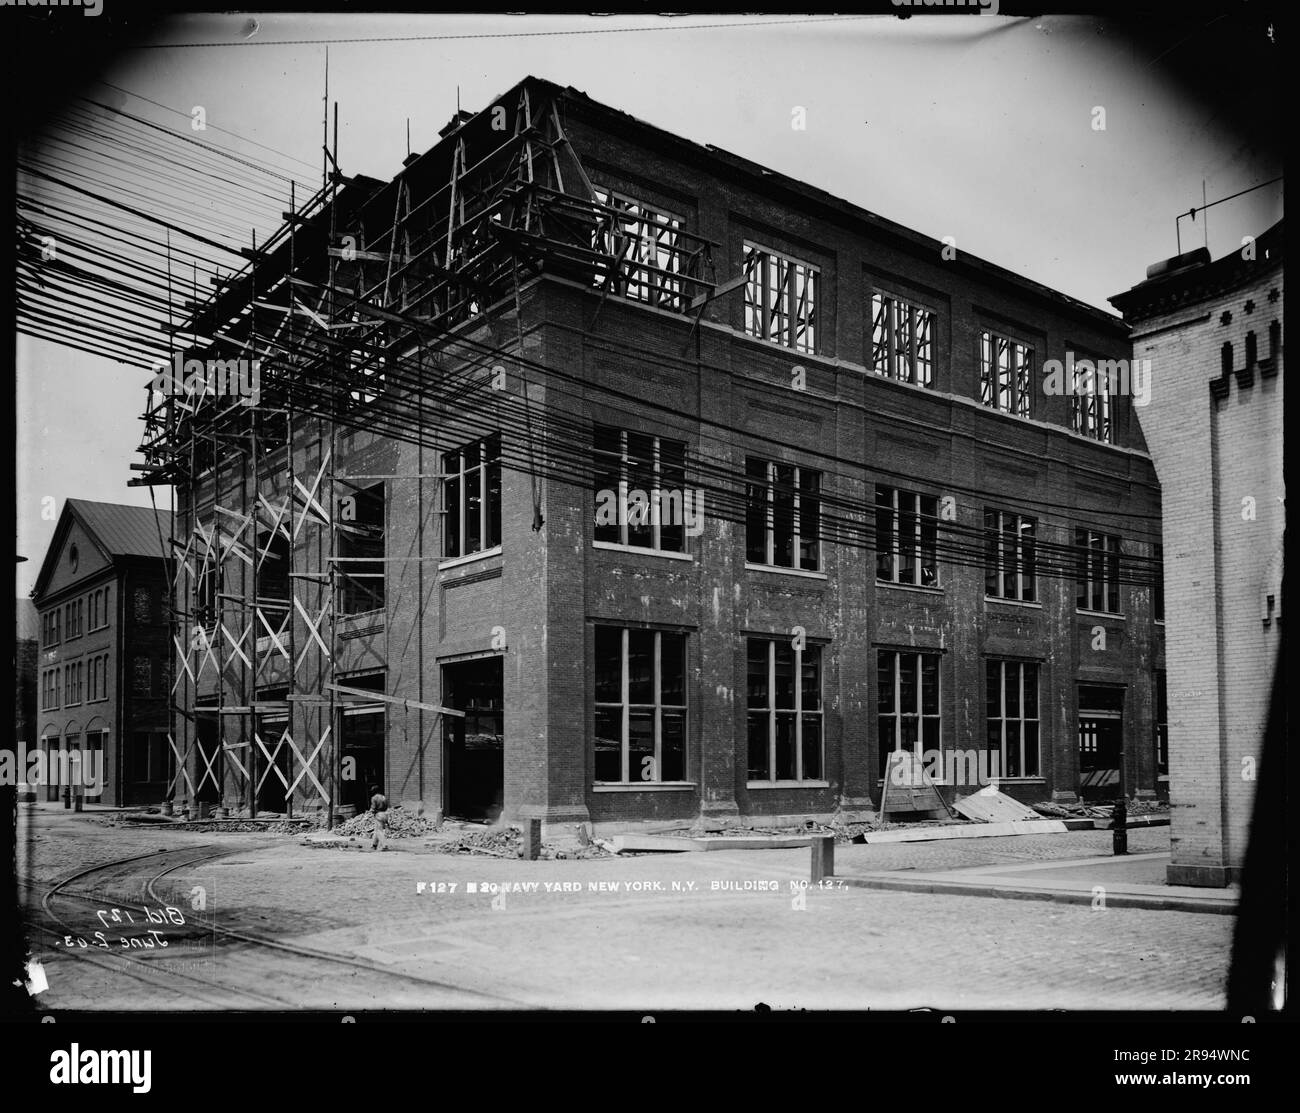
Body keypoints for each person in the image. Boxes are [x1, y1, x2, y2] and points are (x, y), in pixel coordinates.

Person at [368, 784, 389, 852]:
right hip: (385, 814)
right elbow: (386, 806)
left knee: (379, 831)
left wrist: (371, 812)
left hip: (378, 814)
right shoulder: (384, 797)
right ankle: (374, 845)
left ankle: (384, 845)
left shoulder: (374, 798)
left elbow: (373, 808)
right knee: (377, 830)